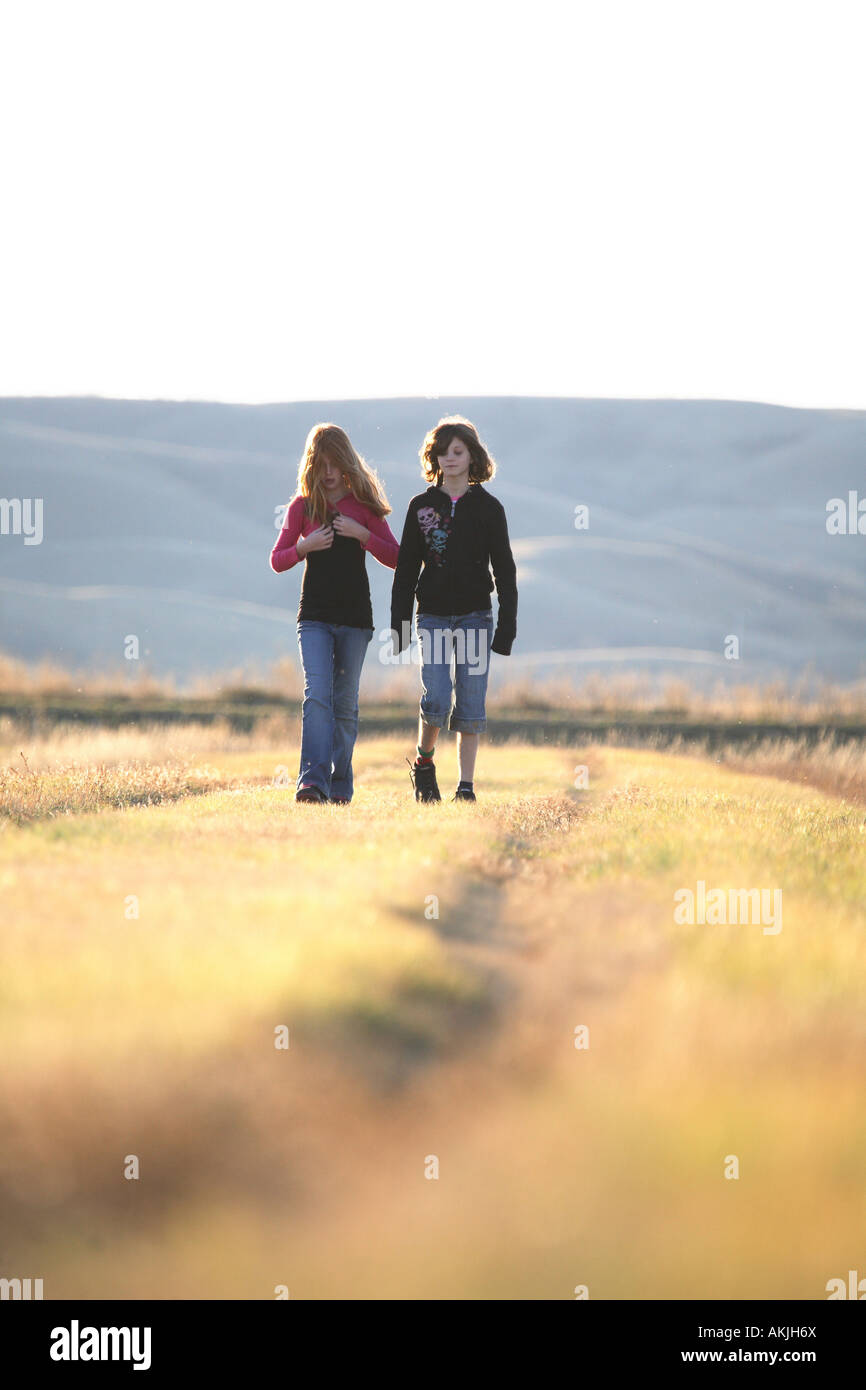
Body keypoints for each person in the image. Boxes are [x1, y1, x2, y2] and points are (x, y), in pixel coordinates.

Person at [390, 415, 517, 803]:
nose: (449, 458)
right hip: (433, 617)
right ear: (434, 457)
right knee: (439, 697)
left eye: (458, 451)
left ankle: (466, 787)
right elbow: (407, 566)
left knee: (472, 702)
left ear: (473, 456)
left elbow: (506, 568)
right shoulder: (420, 507)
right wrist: (399, 628)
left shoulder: (489, 509)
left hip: (477, 617)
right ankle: (425, 763)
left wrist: (506, 627)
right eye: (442, 452)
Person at [270, 423, 399, 803]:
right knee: (317, 697)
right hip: (314, 618)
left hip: (355, 620)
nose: (327, 472)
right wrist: (304, 546)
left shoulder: (364, 507)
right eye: (320, 464)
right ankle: (312, 783)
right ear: (311, 465)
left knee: (344, 705)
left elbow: (397, 558)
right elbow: (277, 560)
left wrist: (363, 535)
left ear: (346, 462)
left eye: (334, 463)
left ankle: (340, 786)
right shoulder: (301, 507)